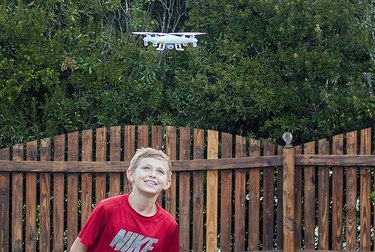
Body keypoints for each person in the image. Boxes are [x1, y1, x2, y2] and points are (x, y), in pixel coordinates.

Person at [70, 147, 179, 252]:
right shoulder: (107, 208)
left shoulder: (169, 225)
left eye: (160, 171)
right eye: (146, 168)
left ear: (167, 183)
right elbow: (78, 249)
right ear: (131, 174)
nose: (153, 175)